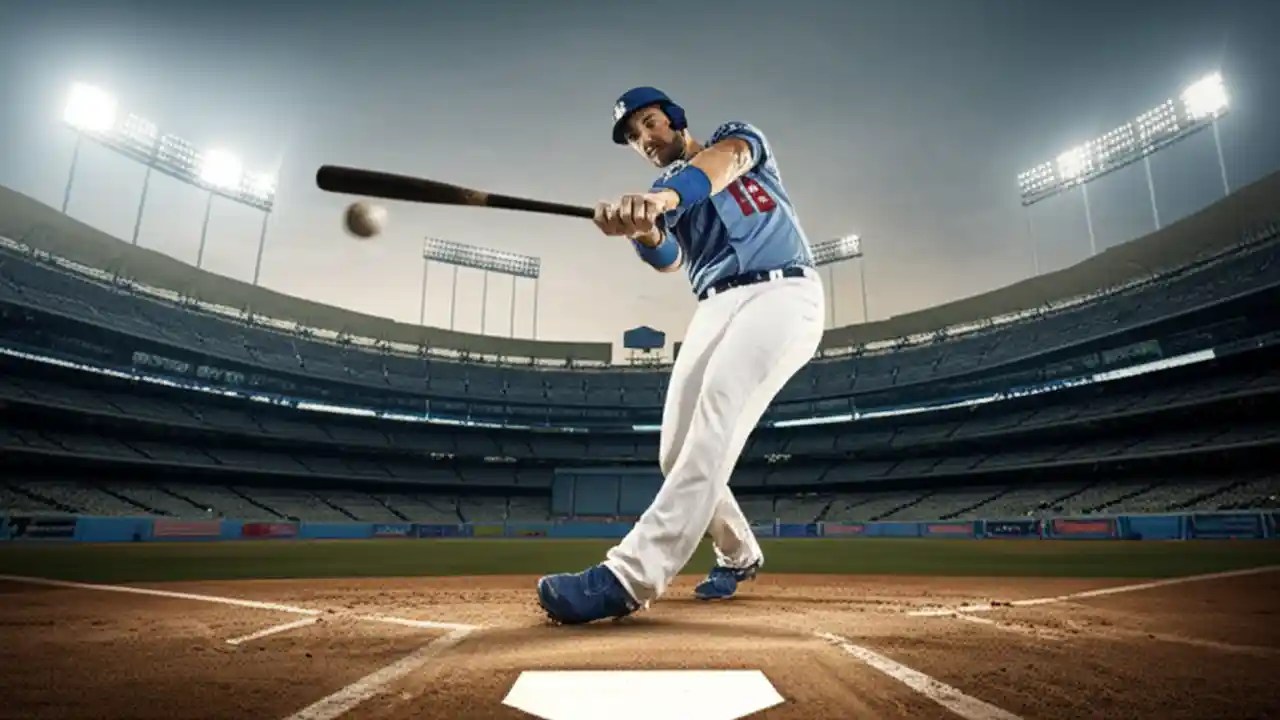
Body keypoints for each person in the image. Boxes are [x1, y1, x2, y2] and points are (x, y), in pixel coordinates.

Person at [536, 87, 825, 624]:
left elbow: (716, 169)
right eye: (633, 136)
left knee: (718, 411)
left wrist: (663, 202)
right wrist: (642, 228)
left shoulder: (736, 139)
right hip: (715, 303)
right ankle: (739, 554)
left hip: (783, 292)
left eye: (650, 123)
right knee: (673, 453)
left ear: (676, 118)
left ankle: (630, 576)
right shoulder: (660, 189)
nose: (645, 138)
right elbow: (669, 259)